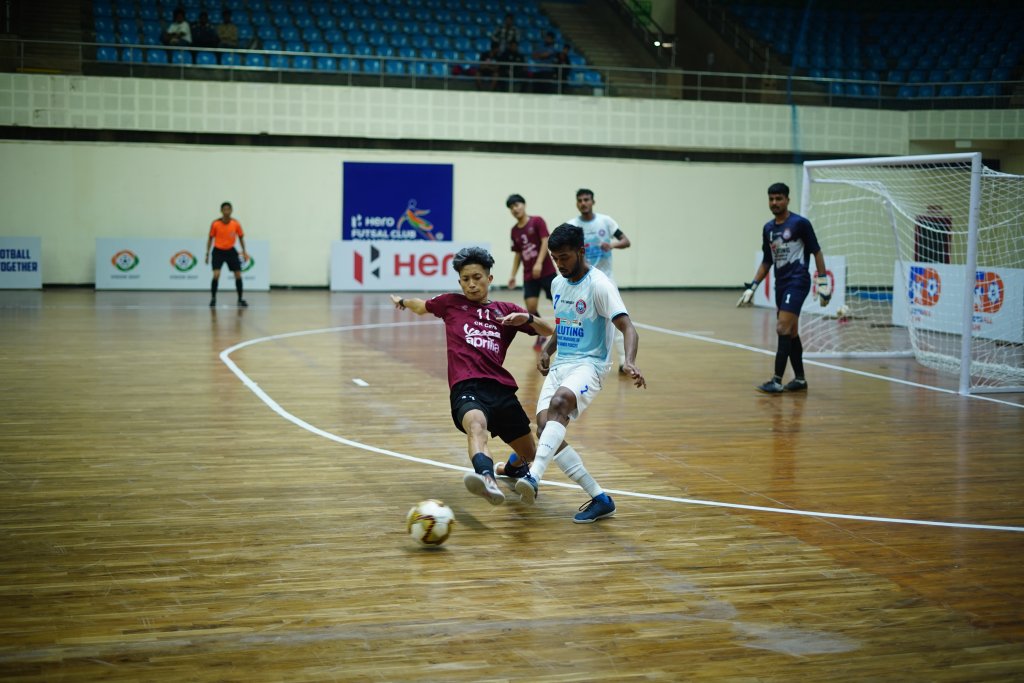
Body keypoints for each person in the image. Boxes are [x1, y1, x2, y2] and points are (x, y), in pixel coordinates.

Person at [389, 247, 555, 506]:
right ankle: (487, 479)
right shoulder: (450, 303)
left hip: (500, 390)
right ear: (459, 282)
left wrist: (528, 317)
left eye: (477, 277)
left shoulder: (505, 311)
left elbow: (550, 330)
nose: (471, 284)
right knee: (476, 426)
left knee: (530, 453)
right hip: (466, 386)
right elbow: (421, 306)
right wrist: (403, 302)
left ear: (489, 279)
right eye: (465, 279)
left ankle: (511, 469)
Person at [509, 224, 646, 523]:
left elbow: (627, 326)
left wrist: (630, 361)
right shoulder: (559, 283)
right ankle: (600, 498)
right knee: (546, 429)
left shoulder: (600, 285)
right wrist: (547, 349)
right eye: (555, 258)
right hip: (562, 365)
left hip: (591, 366)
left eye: (565, 257)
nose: (559, 264)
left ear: (582, 251)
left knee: (559, 405)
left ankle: (533, 477)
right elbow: (565, 323)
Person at [736, 182, 829, 393]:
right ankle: (800, 379)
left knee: (782, 328)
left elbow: (816, 251)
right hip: (781, 284)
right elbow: (767, 261)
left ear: (787, 199)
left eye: (779, 198)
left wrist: (822, 281)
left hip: (798, 281)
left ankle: (776, 380)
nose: (774, 202)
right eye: (771, 199)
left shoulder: (800, 224)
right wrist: (753, 286)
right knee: (792, 331)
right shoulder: (768, 228)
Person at [567, 188, 632, 373]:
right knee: (579, 320)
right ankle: (579, 359)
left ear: (593, 201)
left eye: (586, 199)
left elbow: (626, 241)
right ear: (576, 203)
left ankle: (623, 361)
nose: (583, 203)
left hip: (606, 279)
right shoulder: (572, 225)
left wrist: (611, 244)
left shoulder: (606, 221)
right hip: (582, 281)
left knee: (617, 317)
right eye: (579, 200)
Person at [505, 193, 557, 351]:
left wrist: (539, 263)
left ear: (523, 205)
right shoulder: (514, 231)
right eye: (511, 207)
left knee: (559, 302)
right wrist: (513, 275)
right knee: (531, 306)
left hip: (546, 271)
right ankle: (542, 332)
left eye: (517, 205)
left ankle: (568, 330)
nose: (515, 209)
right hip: (529, 275)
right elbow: (518, 254)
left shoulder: (537, 221)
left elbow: (545, 241)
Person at [205, 201, 248, 308]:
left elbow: (241, 237)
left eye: (228, 209)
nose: (226, 211)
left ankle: (240, 299)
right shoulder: (215, 224)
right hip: (218, 251)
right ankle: (213, 298)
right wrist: (207, 253)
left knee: (238, 275)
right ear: (221, 211)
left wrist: (244, 251)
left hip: (230, 251)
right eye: (224, 209)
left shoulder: (235, 223)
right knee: (216, 275)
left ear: (231, 210)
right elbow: (210, 239)